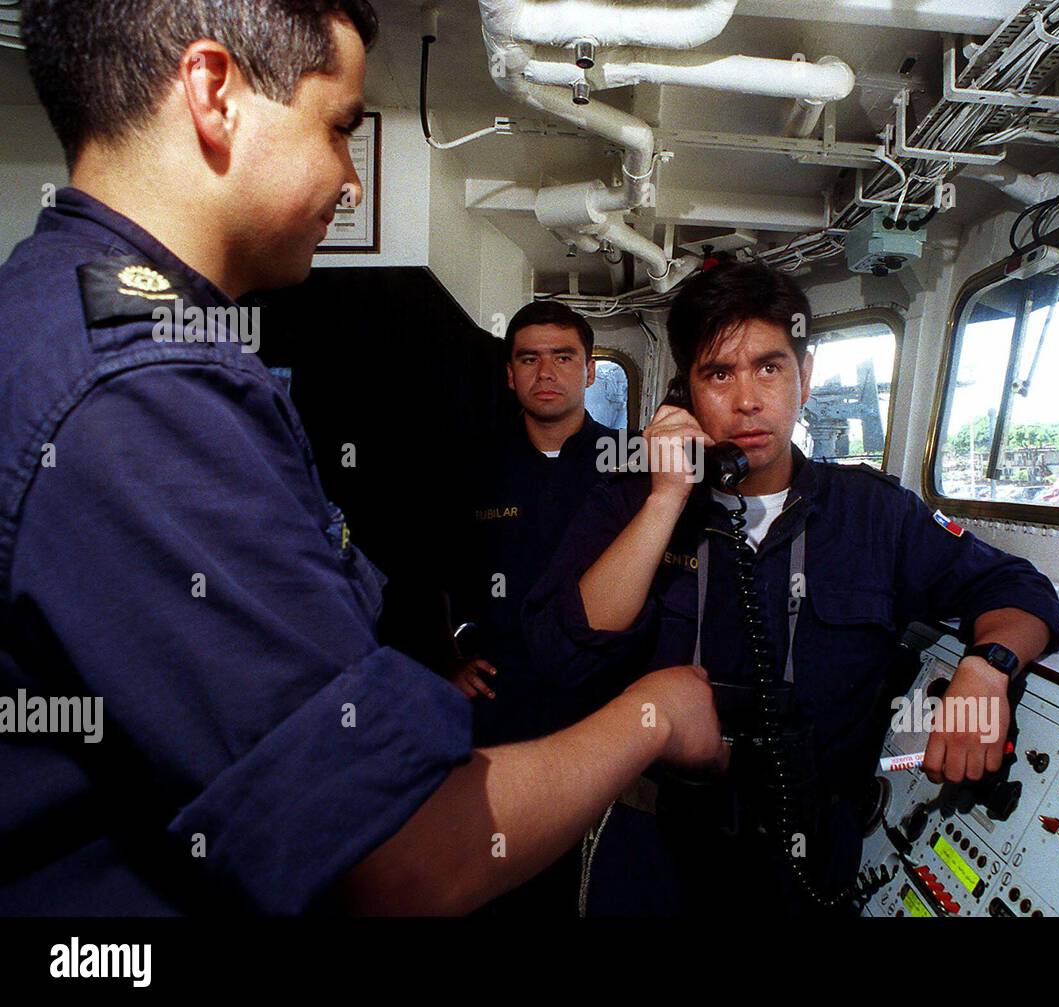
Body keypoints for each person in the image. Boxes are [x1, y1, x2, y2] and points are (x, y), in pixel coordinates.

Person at [0, 0, 724, 916]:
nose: (351, 178)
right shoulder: (140, 394)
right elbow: (406, 856)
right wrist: (653, 715)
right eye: (340, 127)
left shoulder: (57, 317)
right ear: (214, 90)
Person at [523, 260, 1059, 916]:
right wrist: (667, 496)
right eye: (719, 374)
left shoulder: (874, 514)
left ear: (804, 377)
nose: (748, 399)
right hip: (656, 847)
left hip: (813, 856)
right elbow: (563, 647)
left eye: (770, 367)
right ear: (684, 393)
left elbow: (1018, 588)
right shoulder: (628, 505)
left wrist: (990, 667)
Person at [446, 301, 618, 747]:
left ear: (590, 372)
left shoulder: (632, 463)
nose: (545, 373)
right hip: (502, 691)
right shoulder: (472, 466)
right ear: (510, 374)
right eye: (529, 359)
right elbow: (427, 570)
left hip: (602, 691)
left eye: (563, 357)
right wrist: (445, 658)